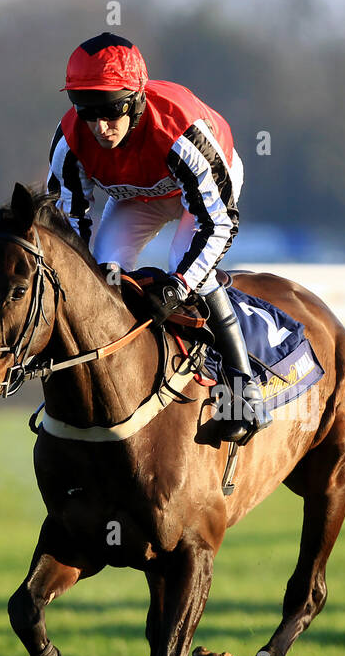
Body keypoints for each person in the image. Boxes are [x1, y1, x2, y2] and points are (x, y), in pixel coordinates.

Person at [46, 32, 269, 443]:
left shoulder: (183, 131)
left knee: (189, 276)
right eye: (87, 111)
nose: (99, 126)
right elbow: (67, 227)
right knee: (100, 274)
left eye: (112, 110)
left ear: (135, 100)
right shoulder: (70, 139)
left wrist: (179, 286)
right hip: (136, 194)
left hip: (201, 197)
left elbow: (217, 223)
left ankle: (243, 387)